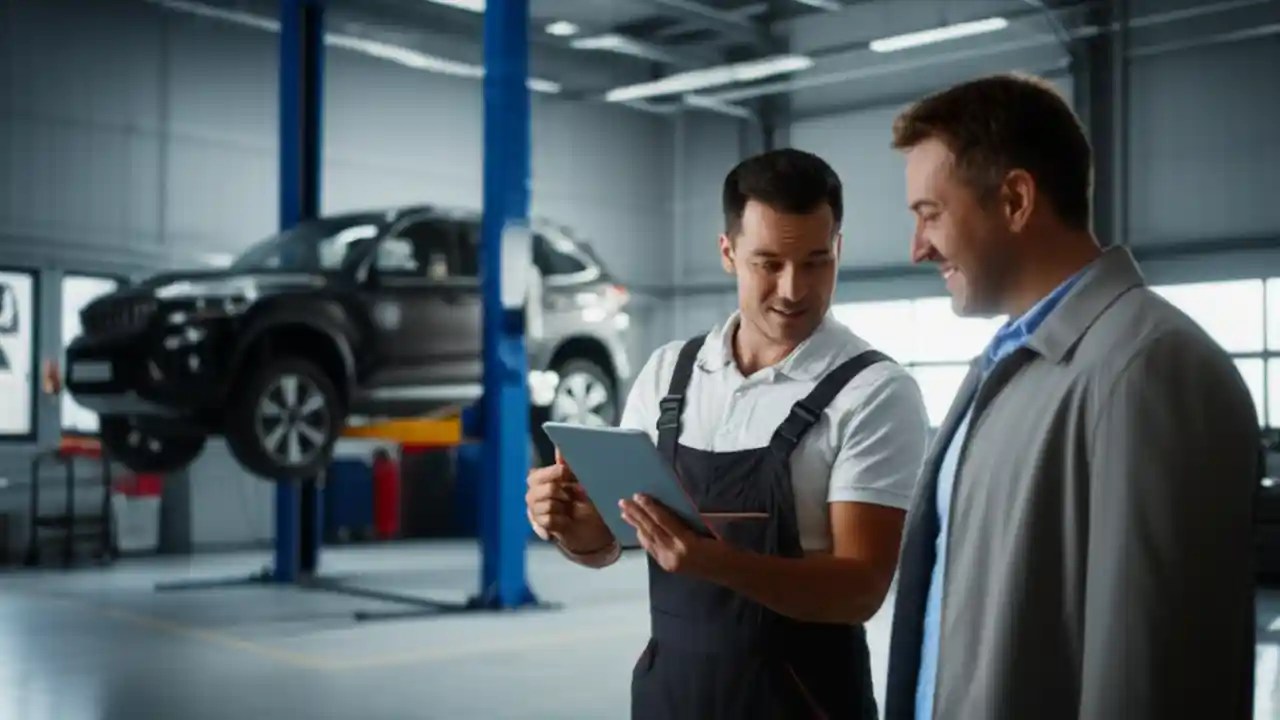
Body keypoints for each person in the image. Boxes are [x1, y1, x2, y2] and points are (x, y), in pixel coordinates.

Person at [883, 73, 1260, 720]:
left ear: (1015, 200)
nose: (916, 248)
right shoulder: (1007, 362)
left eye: (931, 214)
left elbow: (1153, 676)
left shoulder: (1148, 366)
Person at [526, 148, 929, 719]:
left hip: (803, 704)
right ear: (728, 252)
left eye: (816, 261)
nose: (793, 289)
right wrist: (566, 522)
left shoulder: (874, 392)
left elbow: (859, 589)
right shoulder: (670, 374)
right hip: (671, 699)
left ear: (838, 248)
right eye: (769, 263)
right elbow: (607, 543)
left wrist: (712, 561)